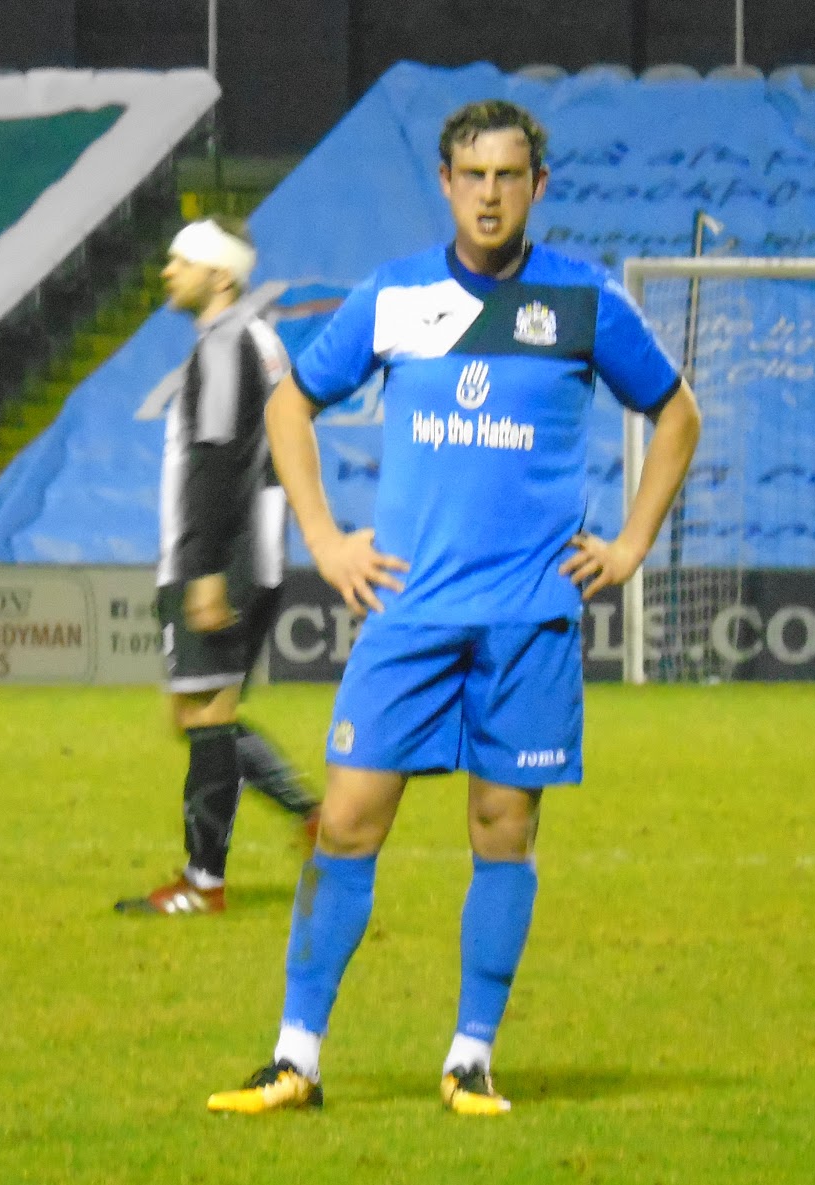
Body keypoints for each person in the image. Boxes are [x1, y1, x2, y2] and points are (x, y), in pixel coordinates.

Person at [205, 100, 701, 1114]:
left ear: (537, 188)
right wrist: (327, 538)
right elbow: (289, 404)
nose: (489, 193)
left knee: (501, 828)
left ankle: (470, 1055)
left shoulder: (585, 301)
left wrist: (633, 543)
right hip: (411, 613)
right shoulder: (393, 298)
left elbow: (676, 411)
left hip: (528, 618)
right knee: (344, 822)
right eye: (472, 175)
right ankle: (295, 1055)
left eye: (508, 176)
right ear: (445, 183)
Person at [114, 216, 320, 916]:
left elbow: (219, 461)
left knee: (207, 713)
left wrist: (202, 569)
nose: (167, 270)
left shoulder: (227, 346)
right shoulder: (257, 342)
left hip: (222, 557)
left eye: (183, 260)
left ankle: (205, 881)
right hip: (249, 552)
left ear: (220, 275)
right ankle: (308, 818)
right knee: (199, 714)